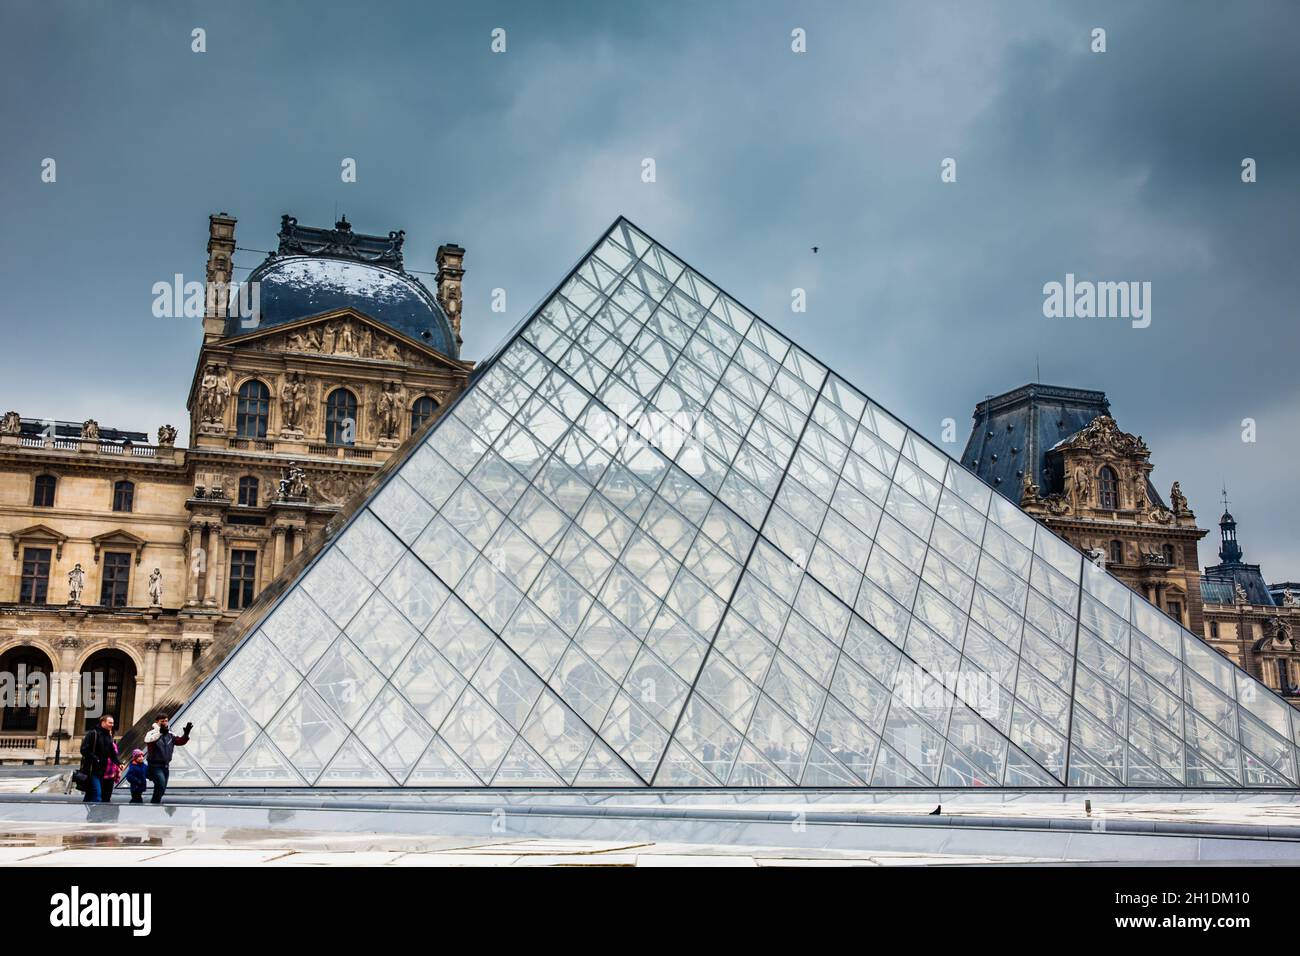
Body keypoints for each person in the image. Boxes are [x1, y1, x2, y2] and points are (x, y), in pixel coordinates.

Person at [143, 713, 192, 804]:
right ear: (157, 722)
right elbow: (148, 741)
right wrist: (159, 733)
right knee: (160, 784)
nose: (165, 723)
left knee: (162, 788)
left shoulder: (170, 734)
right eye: (162, 721)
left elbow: (180, 741)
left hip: (165, 765)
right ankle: (154, 804)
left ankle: (154, 803)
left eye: (166, 721)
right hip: (155, 765)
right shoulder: (151, 733)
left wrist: (186, 734)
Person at [77, 715, 117, 803]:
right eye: (110, 722)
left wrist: (119, 763)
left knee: (90, 795)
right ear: (103, 722)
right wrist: (95, 758)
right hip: (92, 771)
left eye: (113, 723)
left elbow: (112, 753)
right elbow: (83, 749)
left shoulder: (108, 736)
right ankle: (97, 816)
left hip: (101, 771)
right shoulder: (93, 733)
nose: (112, 725)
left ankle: (86, 815)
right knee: (97, 796)